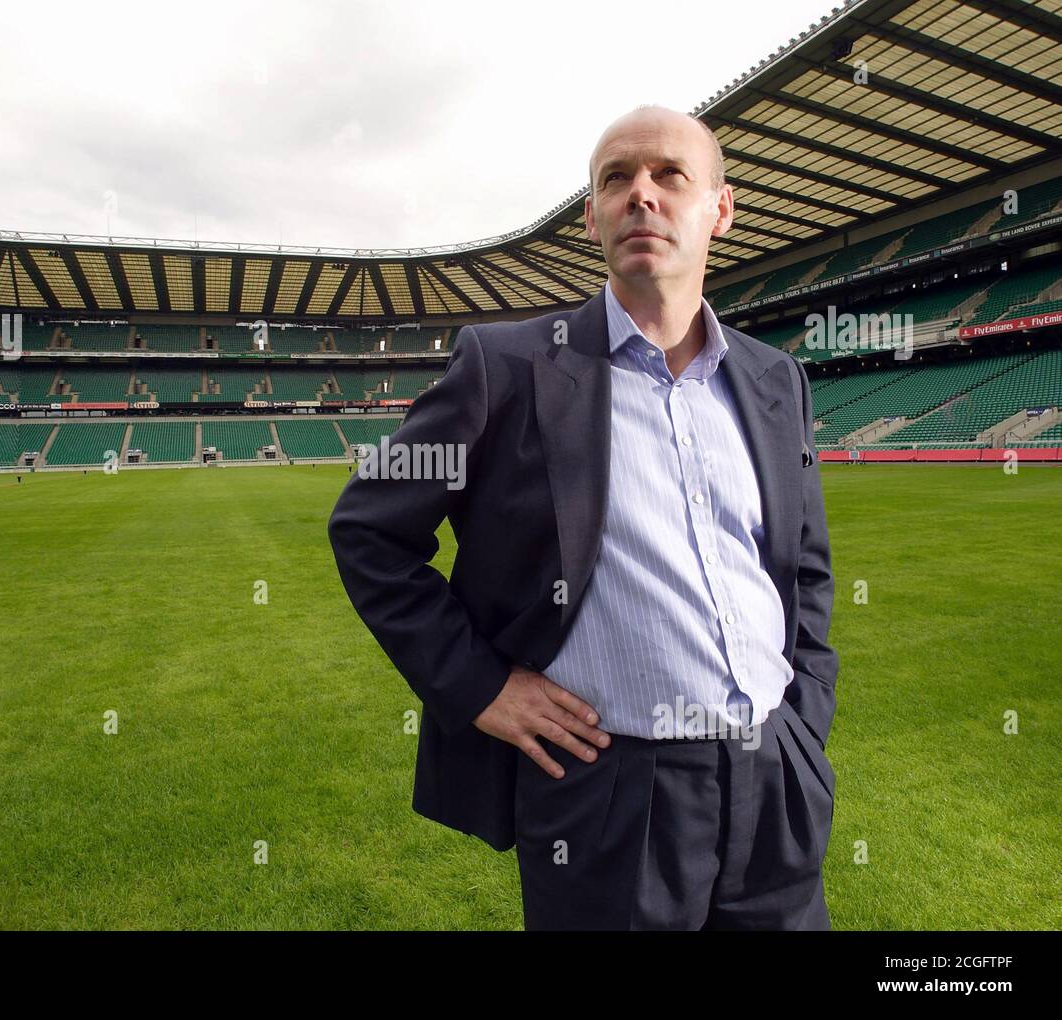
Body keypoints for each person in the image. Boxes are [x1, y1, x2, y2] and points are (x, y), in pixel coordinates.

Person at [328, 105, 838, 930]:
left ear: (721, 207)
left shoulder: (776, 379)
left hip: (775, 781)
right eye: (615, 180)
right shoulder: (509, 365)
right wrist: (479, 685)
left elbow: (804, 568)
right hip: (613, 799)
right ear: (594, 215)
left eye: (670, 175)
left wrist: (806, 718)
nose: (642, 194)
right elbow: (367, 529)